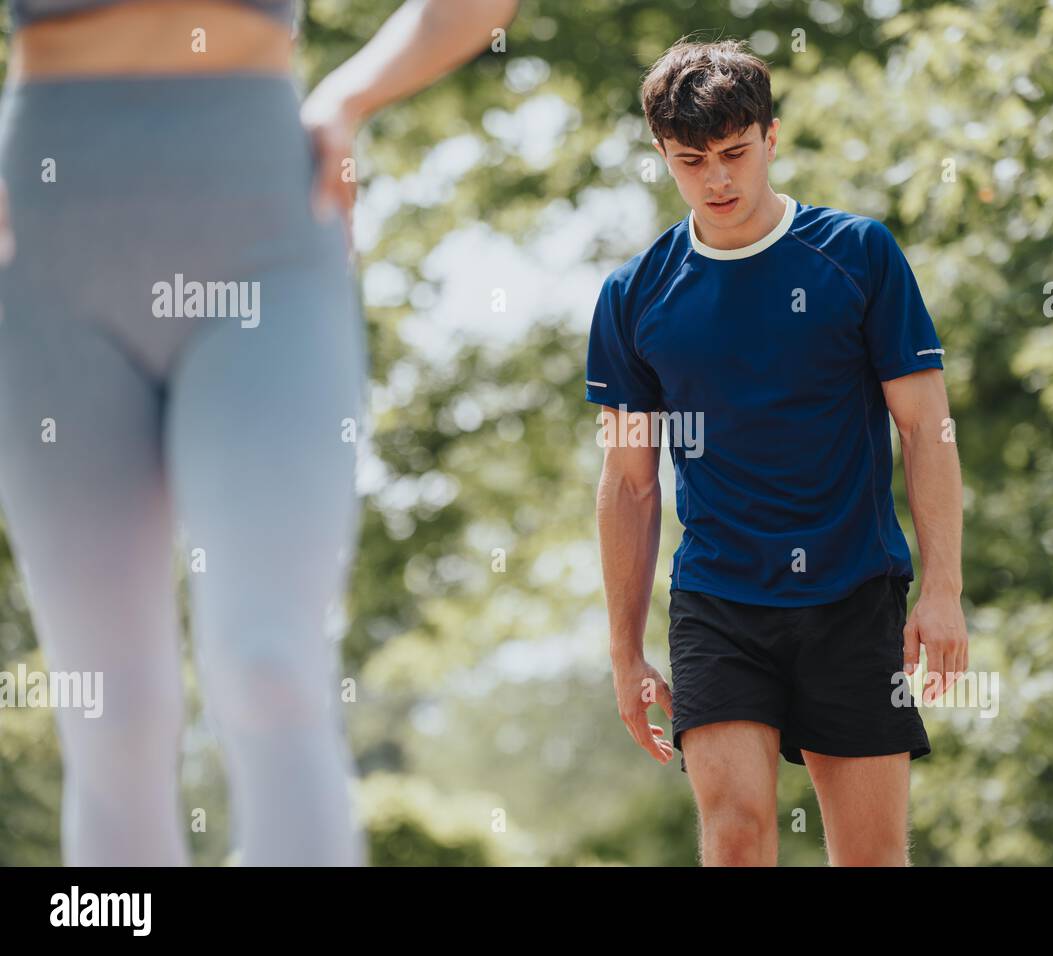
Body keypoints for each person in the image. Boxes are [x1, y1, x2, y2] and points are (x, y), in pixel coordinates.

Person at [0, 0, 519, 866]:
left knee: (269, 667)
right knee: (110, 709)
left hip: (265, 222)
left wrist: (349, 98)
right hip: (45, 239)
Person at [588, 38, 968, 866]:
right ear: (662, 155)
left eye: (735, 153)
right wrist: (624, 654)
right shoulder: (633, 296)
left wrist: (942, 590)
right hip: (719, 601)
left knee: (869, 856)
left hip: (854, 592)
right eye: (692, 161)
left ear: (772, 136)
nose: (718, 179)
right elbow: (628, 485)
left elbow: (926, 429)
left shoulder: (858, 255)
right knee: (734, 835)